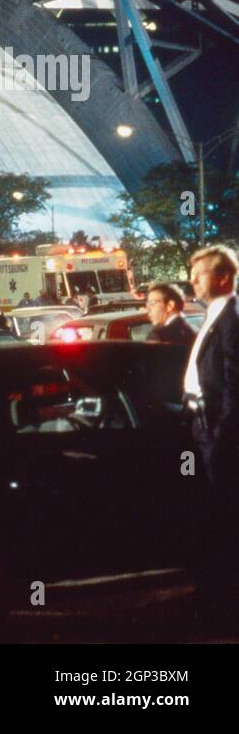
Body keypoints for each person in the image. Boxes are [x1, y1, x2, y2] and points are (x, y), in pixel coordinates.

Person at [182, 245, 239, 615]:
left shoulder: (232, 318)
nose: (192, 280)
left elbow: (235, 384)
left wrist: (221, 437)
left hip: (218, 431)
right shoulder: (215, 315)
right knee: (213, 515)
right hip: (202, 425)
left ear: (222, 277)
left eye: (199, 274)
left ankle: (224, 600)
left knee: (226, 515)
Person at [145, 282, 196, 346]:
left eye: (152, 303)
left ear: (170, 306)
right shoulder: (191, 331)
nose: (148, 309)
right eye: (147, 305)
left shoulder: (158, 336)